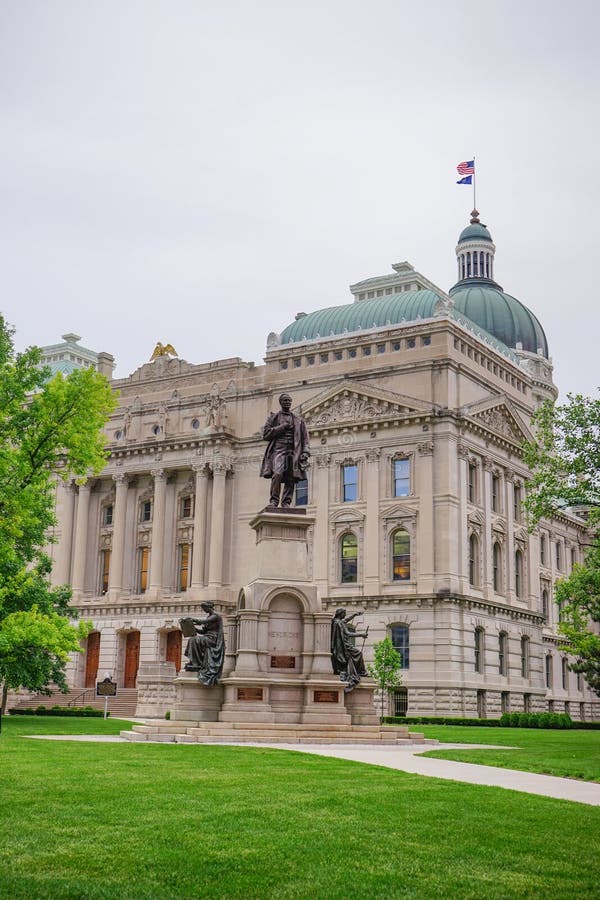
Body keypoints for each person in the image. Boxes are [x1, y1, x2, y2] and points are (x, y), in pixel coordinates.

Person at [260, 392, 310, 508]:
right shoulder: (274, 417)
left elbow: (305, 438)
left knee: (291, 477)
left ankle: (286, 502)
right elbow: (266, 434)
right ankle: (274, 501)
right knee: (277, 473)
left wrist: (305, 452)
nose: (287, 402)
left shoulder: (298, 420)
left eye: (289, 401)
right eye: (285, 400)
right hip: (278, 449)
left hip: (294, 450)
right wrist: (282, 427)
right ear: (280, 402)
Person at [181, 602, 225, 686]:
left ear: (209, 607)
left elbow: (202, 621)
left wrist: (191, 619)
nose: (204, 610)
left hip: (213, 639)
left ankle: (196, 662)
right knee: (192, 639)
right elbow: (203, 631)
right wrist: (193, 628)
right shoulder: (209, 616)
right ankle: (195, 662)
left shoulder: (215, 616)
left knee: (194, 640)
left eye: (204, 608)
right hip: (207, 637)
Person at [330, 608, 368, 692]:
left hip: (344, 644)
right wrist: (361, 634)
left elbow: (346, 620)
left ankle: (359, 672)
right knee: (358, 653)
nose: (345, 615)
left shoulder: (337, 621)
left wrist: (354, 615)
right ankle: (361, 672)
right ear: (341, 614)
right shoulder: (338, 623)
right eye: (344, 613)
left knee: (357, 654)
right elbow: (348, 633)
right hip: (344, 645)